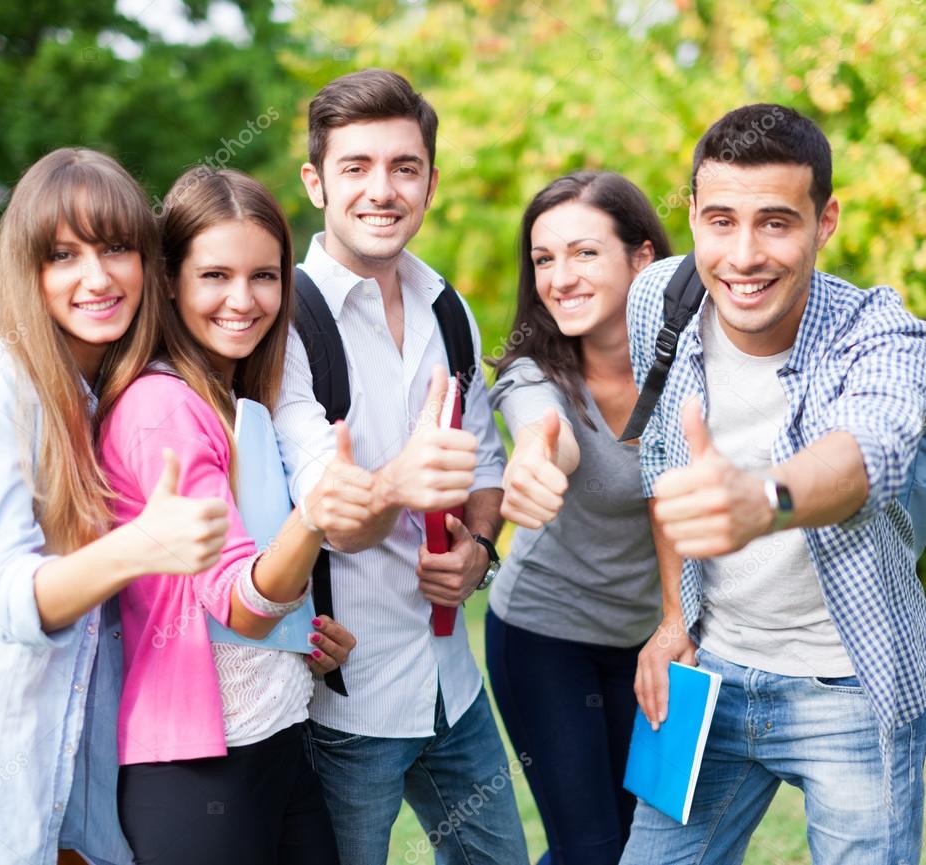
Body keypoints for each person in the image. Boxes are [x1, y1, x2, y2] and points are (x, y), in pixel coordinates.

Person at [0, 148, 229, 865]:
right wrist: (140, 543)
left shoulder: (102, 400)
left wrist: (289, 624)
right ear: (28, 270)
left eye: (116, 247)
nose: (97, 276)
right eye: (63, 255)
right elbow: (8, 598)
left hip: (71, 800)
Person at [621, 104, 926, 864]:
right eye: (719, 220)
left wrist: (764, 500)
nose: (744, 254)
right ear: (689, 214)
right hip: (710, 675)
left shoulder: (879, 331)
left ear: (824, 221)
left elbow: (865, 456)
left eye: (775, 223)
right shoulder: (658, 298)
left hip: (848, 687)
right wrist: (669, 622)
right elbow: (663, 465)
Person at [272, 68, 529, 865]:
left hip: (452, 681)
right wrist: (395, 481)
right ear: (316, 181)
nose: (381, 190)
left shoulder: (446, 307)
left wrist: (477, 549)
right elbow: (325, 510)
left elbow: (485, 468)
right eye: (356, 167)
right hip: (345, 704)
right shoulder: (282, 321)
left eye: (403, 167)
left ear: (430, 182)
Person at [97, 166, 360, 865]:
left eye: (265, 276)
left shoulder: (234, 397)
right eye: (215, 275)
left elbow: (248, 612)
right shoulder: (163, 408)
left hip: (276, 741)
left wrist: (298, 637)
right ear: (170, 279)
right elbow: (240, 604)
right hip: (198, 769)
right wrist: (312, 518)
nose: (243, 300)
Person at [484, 171, 671, 865]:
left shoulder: (694, 365)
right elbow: (543, 434)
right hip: (543, 634)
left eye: (583, 253)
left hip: (649, 643)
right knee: (590, 848)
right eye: (542, 259)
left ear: (641, 257)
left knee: (643, 843)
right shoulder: (532, 372)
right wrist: (532, 463)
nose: (558, 277)